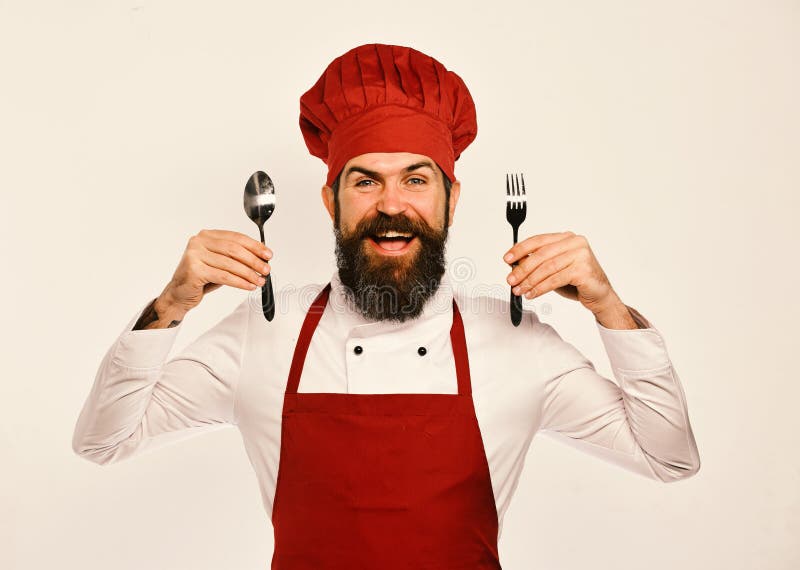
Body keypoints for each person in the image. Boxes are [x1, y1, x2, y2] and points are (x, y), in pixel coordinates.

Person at [72, 43, 700, 569]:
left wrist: (609, 308)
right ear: (330, 201)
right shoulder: (266, 332)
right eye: (366, 179)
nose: (392, 204)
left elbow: (667, 458)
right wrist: (168, 309)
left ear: (452, 198)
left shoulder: (515, 342)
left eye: (416, 179)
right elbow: (104, 441)